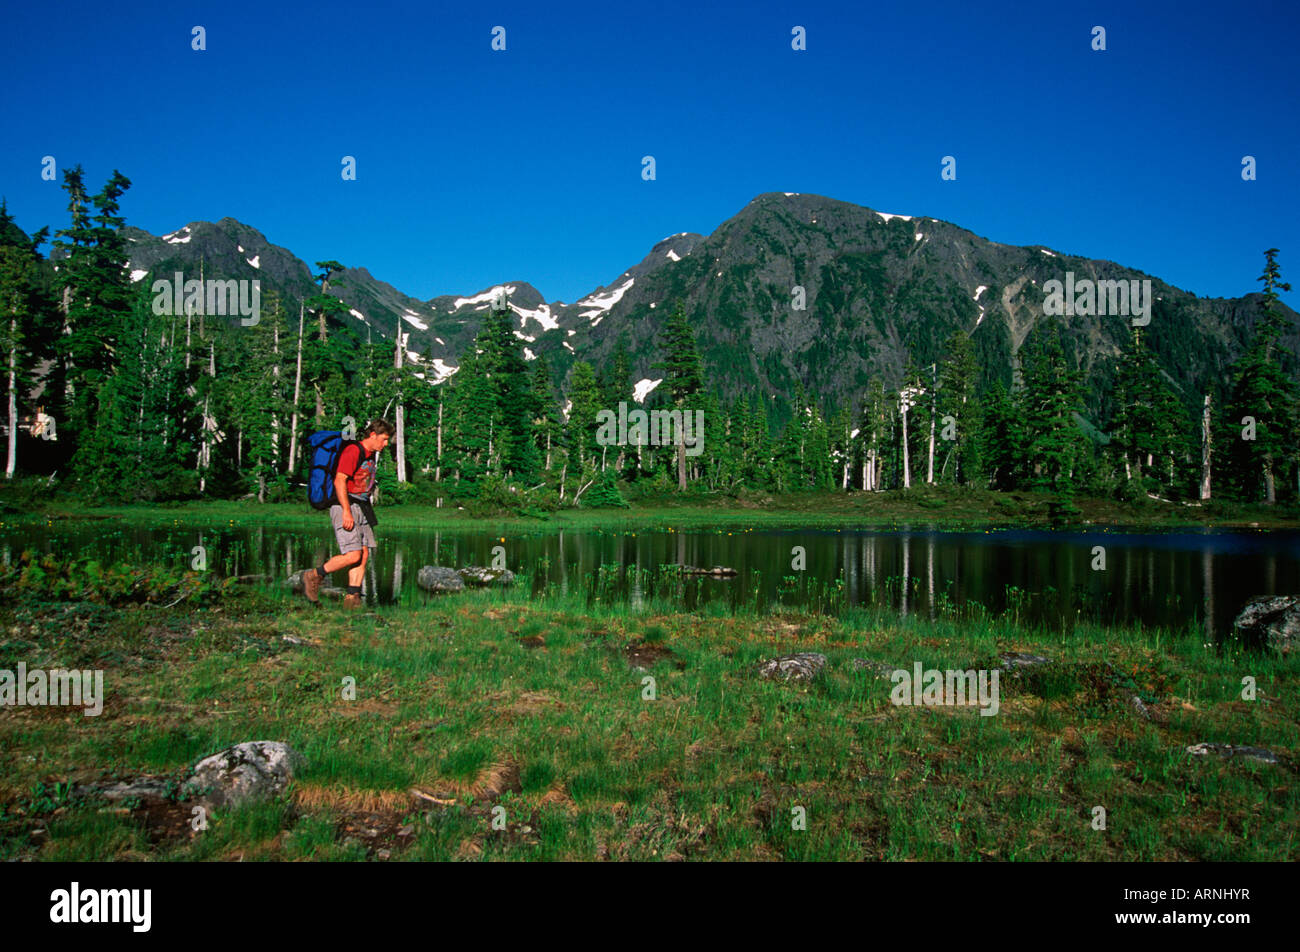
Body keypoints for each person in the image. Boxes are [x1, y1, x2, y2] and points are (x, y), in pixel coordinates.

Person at [303, 419, 393, 608]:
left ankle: (352, 599)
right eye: (384, 439)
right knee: (353, 554)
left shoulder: (370, 455)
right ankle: (314, 575)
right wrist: (346, 511)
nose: (386, 444)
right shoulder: (353, 451)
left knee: (364, 554)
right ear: (373, 435)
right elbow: (339, 481)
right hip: (345, 505)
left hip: (362, 507)